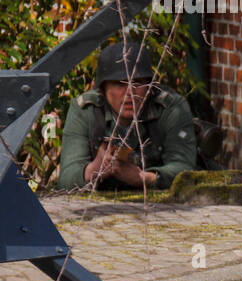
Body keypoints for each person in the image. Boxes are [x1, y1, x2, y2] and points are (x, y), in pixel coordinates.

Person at [57, 41, 198, 191]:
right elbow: (66, 178)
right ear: (103, 89)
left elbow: (185, 170)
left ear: (149, 86)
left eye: (137, 83)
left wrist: (144, 178)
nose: (130, 93)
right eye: (120, 84)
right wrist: (94, 169)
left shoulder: (170, 108)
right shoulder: (86, 110)